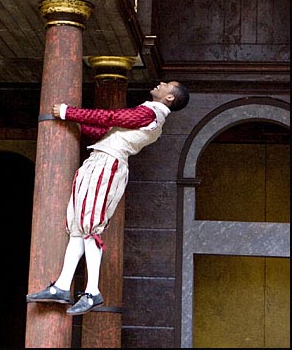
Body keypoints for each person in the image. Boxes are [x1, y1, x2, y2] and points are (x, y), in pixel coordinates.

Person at [26, 80, 190, 315]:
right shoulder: (148, 114)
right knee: (78, 227)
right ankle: (62, 285)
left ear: (170, 98)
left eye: (167, 85)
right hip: (99, 161)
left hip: (108, 164)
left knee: (90, 226)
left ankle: (92, 291)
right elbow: (106, 129)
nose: (161, 84)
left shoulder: (150, 113)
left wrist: (67, 112)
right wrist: (75, 120)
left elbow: (111, 118)